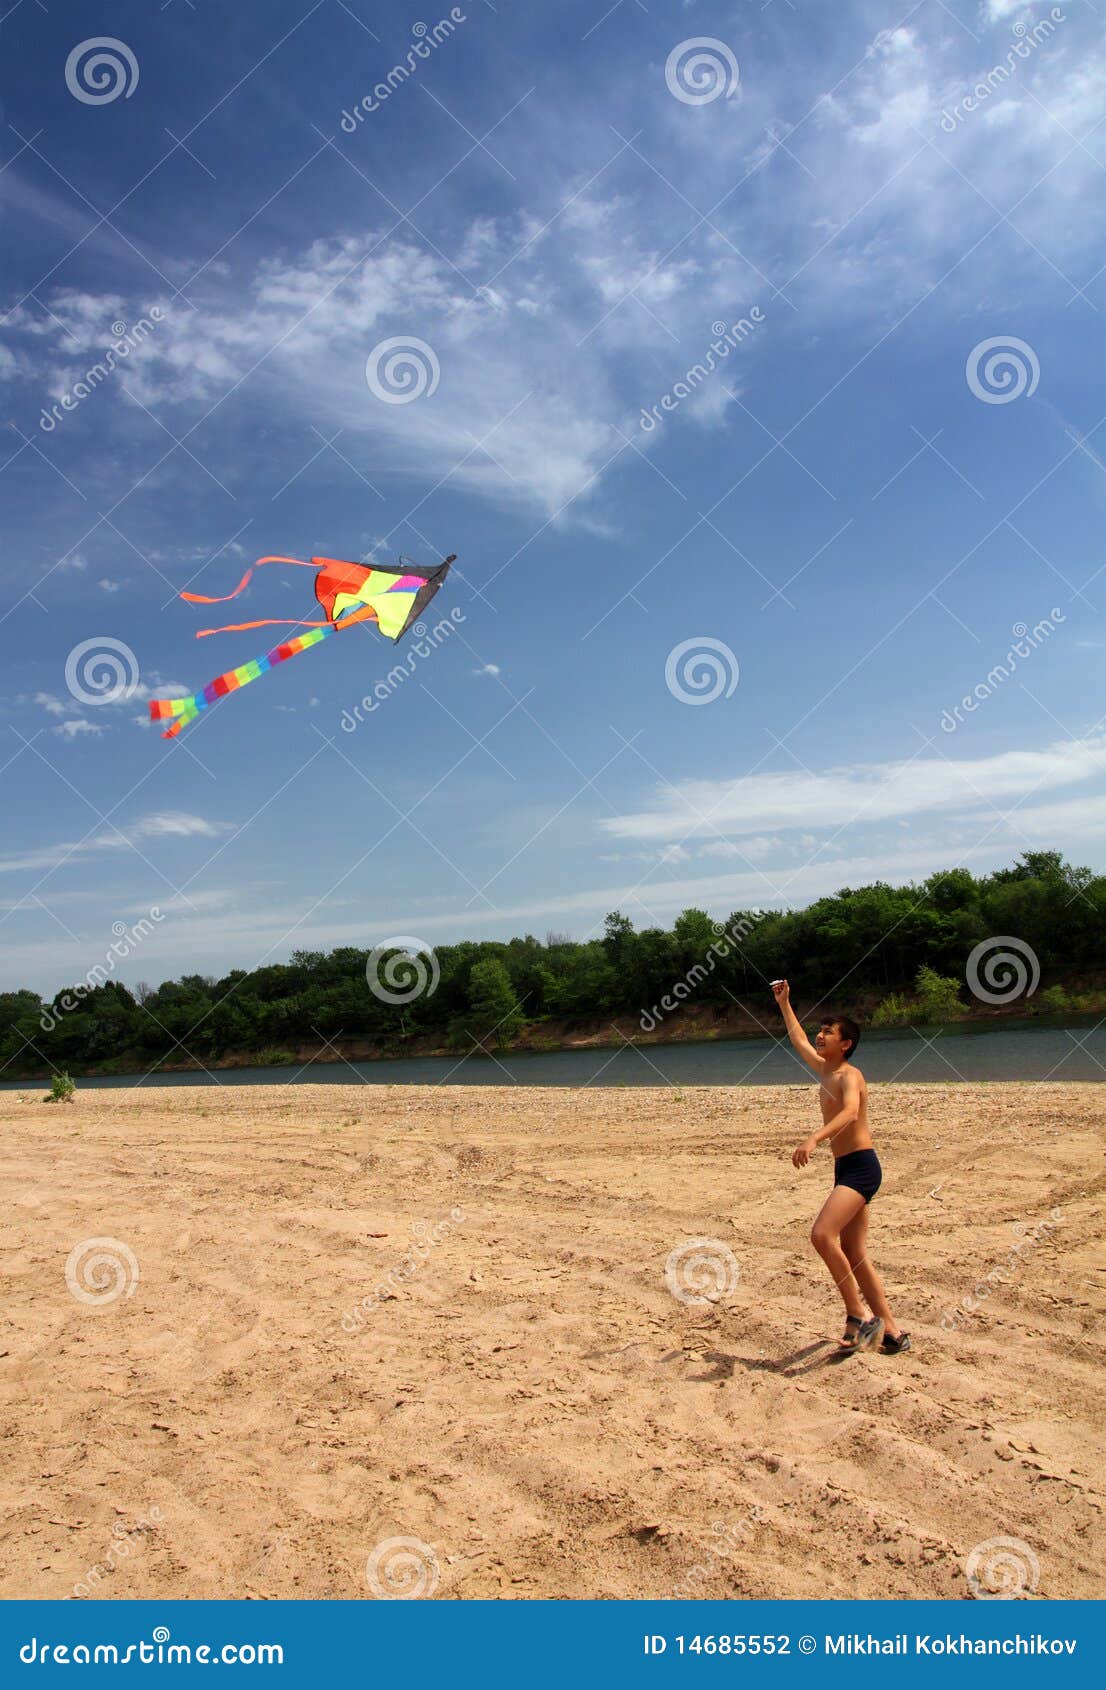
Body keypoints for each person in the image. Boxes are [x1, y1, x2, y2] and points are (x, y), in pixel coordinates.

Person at [771, 980, 909, 1355]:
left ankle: (857, 1314)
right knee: (854, 1251)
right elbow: (798, 1039)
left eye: (828, 1032)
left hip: (862, 1167)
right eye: (820, 1030)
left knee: (821, 1235)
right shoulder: (825, 1070)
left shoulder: (851, 1075)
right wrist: (785, 1003)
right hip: (845, 1167)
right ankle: (893, 1333)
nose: (819, 1036)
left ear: (845, 1043)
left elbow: (850, 1113)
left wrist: (814, 1138)